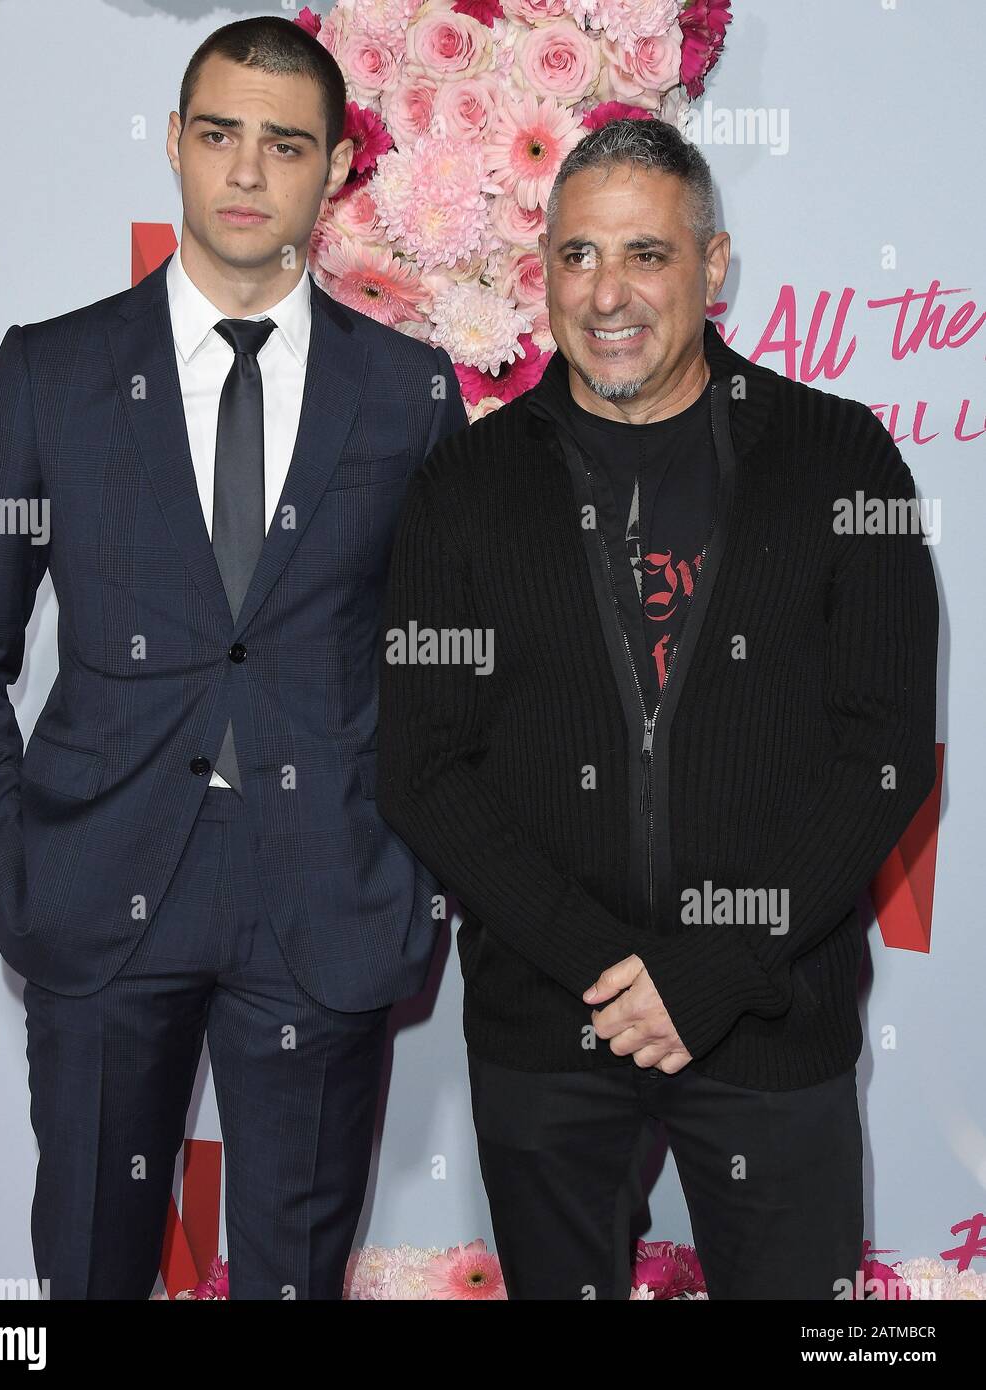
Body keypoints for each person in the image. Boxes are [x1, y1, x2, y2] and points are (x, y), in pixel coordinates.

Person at [0, 16, 465, 1300]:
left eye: (284, 145)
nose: (244, 172)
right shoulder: (50, 374)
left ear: (333, 171)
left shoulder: (408, 394)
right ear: (171, 144)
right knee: (91, 1278)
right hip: (99, 884)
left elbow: (454, 668)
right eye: (217, 135)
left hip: (324, 897)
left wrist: (411, 878)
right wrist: (18, 866)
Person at [376, 118, 939, 1300]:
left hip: (770, 1014)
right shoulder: (463, 486)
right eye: (576, 257)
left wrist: (714, 966)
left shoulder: (844, 459)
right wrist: (609, 966)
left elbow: (880, 750)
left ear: (713, 264)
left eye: (644, 255)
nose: (606, 294)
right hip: (547, 1021)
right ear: (541, 270)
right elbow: (424, 764)